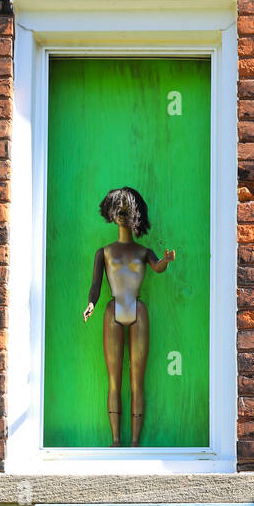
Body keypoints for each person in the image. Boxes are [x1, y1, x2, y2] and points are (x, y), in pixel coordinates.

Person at [83, 187, 175, 446]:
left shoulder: (143, 251)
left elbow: (156, 267)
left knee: (137, 380)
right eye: (118, 211)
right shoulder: (104, 252)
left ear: (136, 215)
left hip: (137, 311)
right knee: (114, 380)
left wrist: (165, 260)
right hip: (113, 310)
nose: (122, 215)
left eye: (127, 211)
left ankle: (134, 441)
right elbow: (95, 285)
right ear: (111, 214)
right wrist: (91, 303)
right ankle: (115, 440)